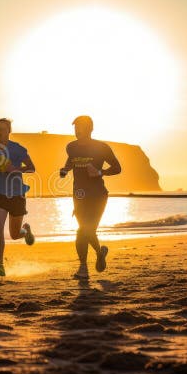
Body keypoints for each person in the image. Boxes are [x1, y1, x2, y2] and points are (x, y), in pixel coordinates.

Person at [59, 115, 121, 281]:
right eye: (76, 127)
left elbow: (117, 167)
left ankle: (83, 268)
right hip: (79, 194)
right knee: (84, 230)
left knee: (85, 230)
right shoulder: (71, 147)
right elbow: (71, 161)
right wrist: (65, 170)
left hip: (98, 195)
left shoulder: (101, 147)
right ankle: (99, 253)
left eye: (81, 126)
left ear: (90, 129)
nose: (77, 130)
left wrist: (100, 172)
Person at [0, 118, 36, 277]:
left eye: (1, 129)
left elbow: (32, 168)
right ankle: (0, 265)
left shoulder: (19, 149)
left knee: (14, 234)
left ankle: (25, 231)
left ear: (9, 131)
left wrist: (17, 170)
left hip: (17, 194)